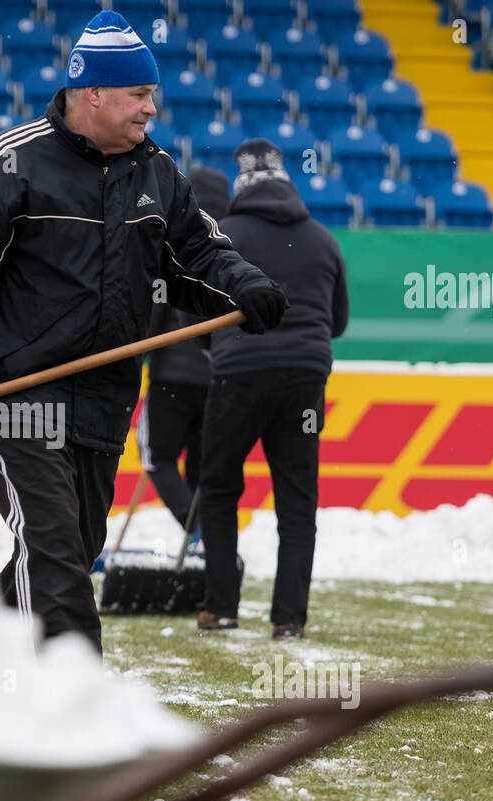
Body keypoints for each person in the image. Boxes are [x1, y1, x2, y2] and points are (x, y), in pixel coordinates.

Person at [0, 11, 286, 655]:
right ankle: (77, 705)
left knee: (72, 555)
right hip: (18, 397)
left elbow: (201, 253)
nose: (151, 109)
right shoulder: (9, 161)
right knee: (52, 559)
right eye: (138, 95)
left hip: (103, 402)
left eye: (152, 95)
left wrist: (248, 286)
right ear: (92, 92)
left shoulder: (158, 175)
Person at [197, 139, 349, 639]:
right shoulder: (324, 240)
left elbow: (196, 309)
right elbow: (339, 323)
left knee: (218, 488)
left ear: (240, 184)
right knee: (298, 501)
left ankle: (220, 607)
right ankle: (289, 619)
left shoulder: (227, 235)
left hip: (239, 373)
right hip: (304, 380)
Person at [137, 166, 231, 532]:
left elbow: (154, 315)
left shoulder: (173, 239)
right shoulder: (232, 246)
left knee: (158, 459)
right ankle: (208, 544)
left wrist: (133, 362)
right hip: (217, 379)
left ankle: (201, 530)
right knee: (201, 464)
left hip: (170, 377)